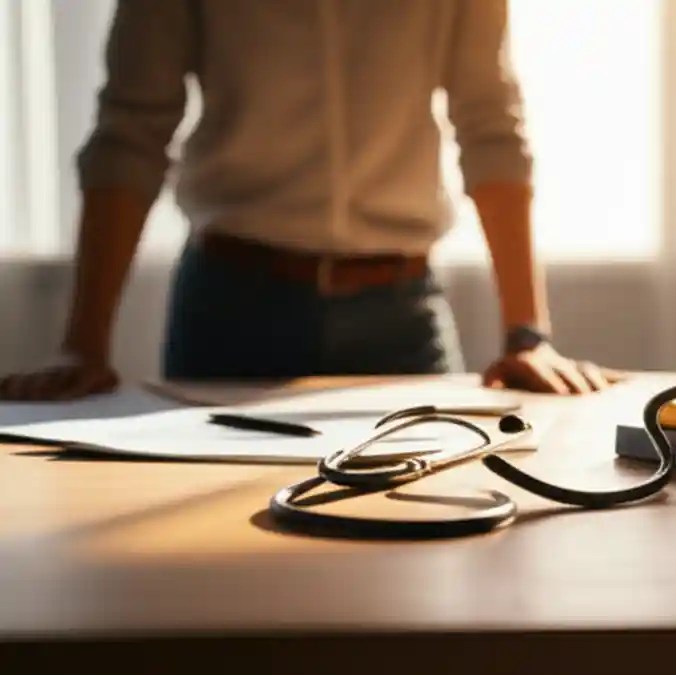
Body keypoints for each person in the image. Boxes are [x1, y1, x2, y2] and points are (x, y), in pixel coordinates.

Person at [0, 0, 619, 401]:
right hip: (229, 308)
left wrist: (527, 334)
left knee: (422, 555)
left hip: (400, 314)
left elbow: (491, 127)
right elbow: (130, 130)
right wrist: (82, 347)